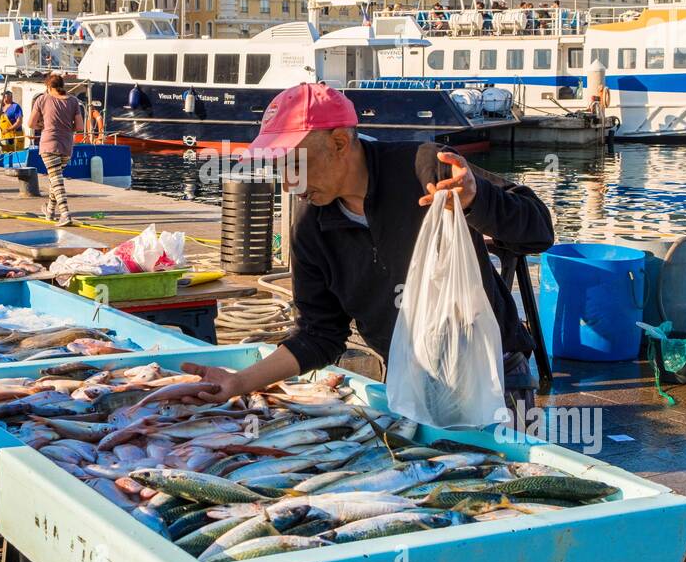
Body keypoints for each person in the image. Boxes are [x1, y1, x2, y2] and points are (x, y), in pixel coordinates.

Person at [179, 82, 554, 420]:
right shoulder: (311, 229)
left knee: (518, 483)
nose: (289, 183)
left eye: (294, 163)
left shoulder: (426, 166)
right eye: (279, 168)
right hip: (410, 381)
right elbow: (319, 334)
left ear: (340, 143)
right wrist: (239, 383)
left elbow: (537, 232)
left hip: (494, 374)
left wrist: (476, 200)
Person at [29, 73, 82, 226]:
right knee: (55, 179)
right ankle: (50, 211)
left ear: (49, 86)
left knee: (56, 180)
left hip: (49, 144)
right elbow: (79, 127)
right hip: (66, 145)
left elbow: (31, 123)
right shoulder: (73, 101)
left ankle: (65, 213)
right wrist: (66, 128)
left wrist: (43, 126)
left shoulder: (42, 99)